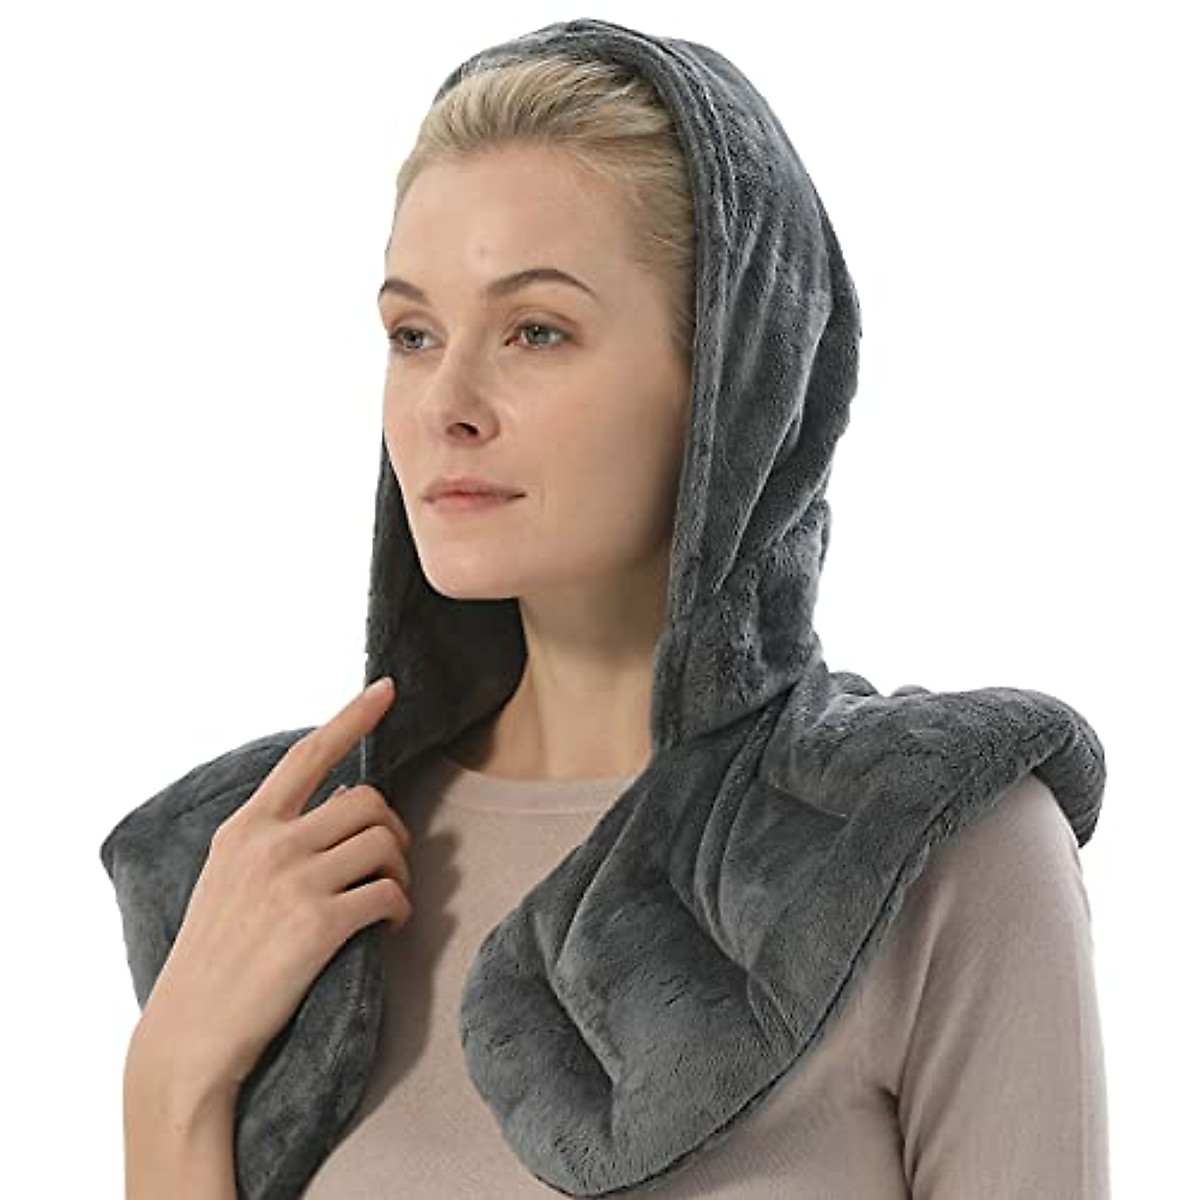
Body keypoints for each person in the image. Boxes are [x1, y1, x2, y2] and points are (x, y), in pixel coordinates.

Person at [107, 18, 1110, 1199]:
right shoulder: (276, 865)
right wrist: (170, 1088)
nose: (445, 403)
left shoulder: (934, 848)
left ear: (733, 380)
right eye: (413, 334)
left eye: (536, 330)